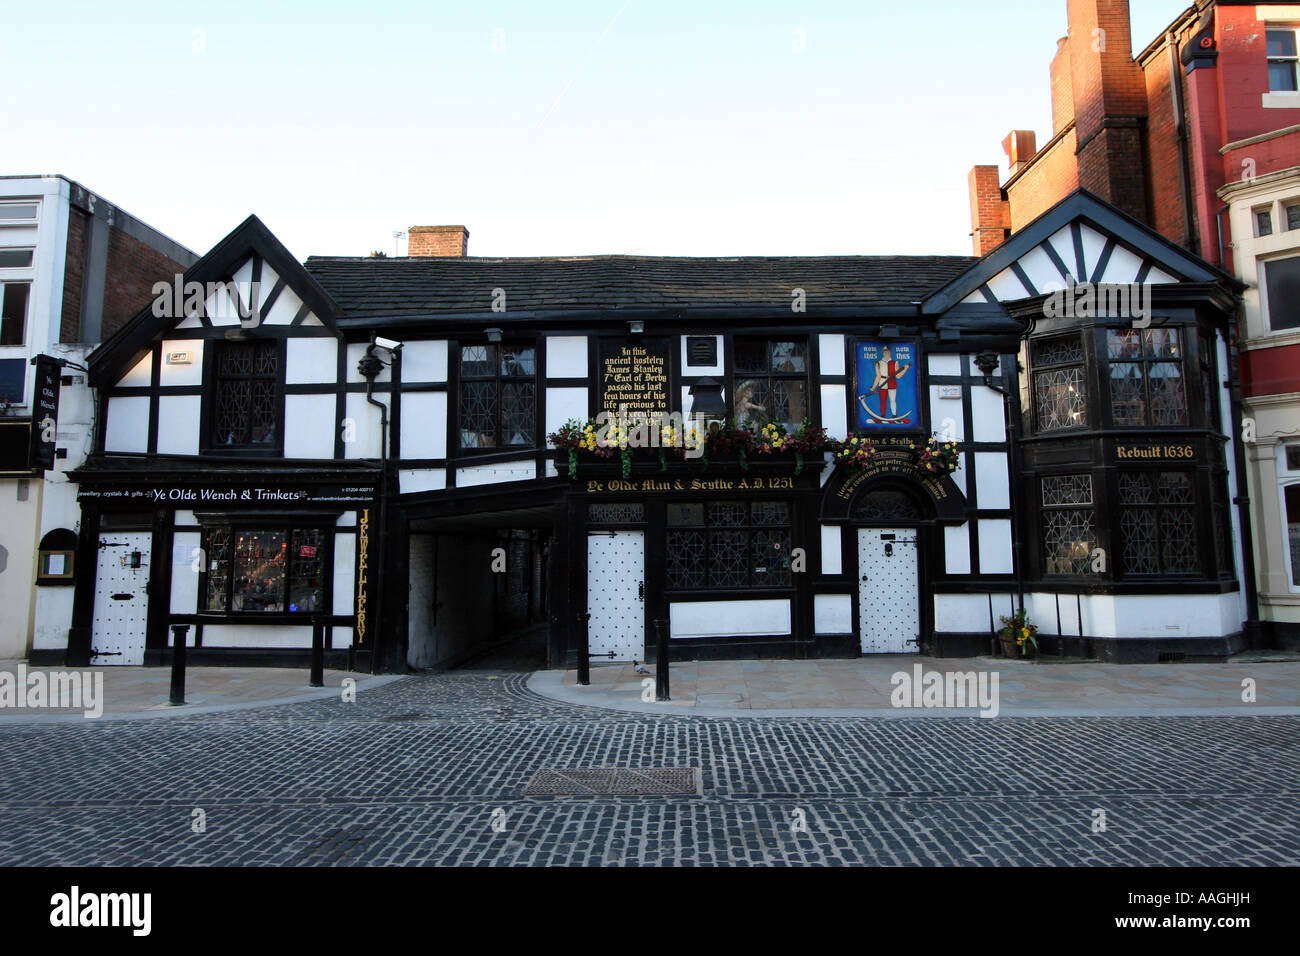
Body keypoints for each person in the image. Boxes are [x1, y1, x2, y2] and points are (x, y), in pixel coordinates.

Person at [869, 346, 912, 419]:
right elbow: (878, 376)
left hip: (892, 383)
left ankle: (894, 416)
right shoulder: (878, 363)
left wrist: (905, 369)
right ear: (883, 353)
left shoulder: (895, 363)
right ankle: (883, 416)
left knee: (893, 401)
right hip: (882, 383)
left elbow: (898, 376)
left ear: (890, 353)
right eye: (885, 352)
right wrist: (874, 386)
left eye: (888, 352)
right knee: (883, 401)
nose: (887, 353)